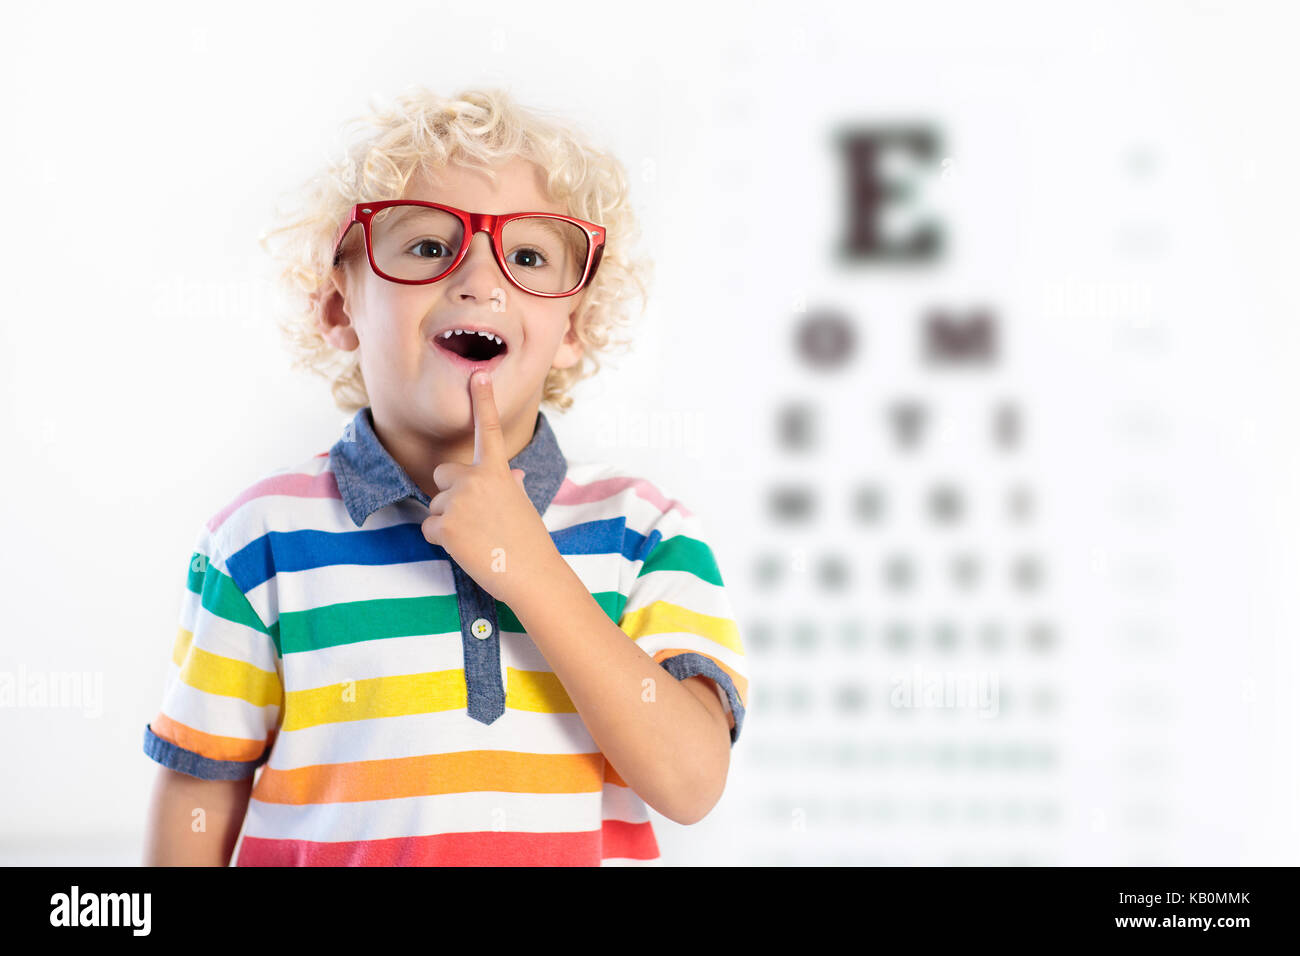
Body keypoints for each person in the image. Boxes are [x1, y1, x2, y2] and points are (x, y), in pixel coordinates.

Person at [141, 86, 748, 866]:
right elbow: (199, 792)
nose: (480, 280)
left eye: (528, 257)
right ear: (338, 307)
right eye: (430, 247)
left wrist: (530, 569)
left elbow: (692, 782)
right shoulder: (258, 542)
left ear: (577, 328)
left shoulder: (647, 535)